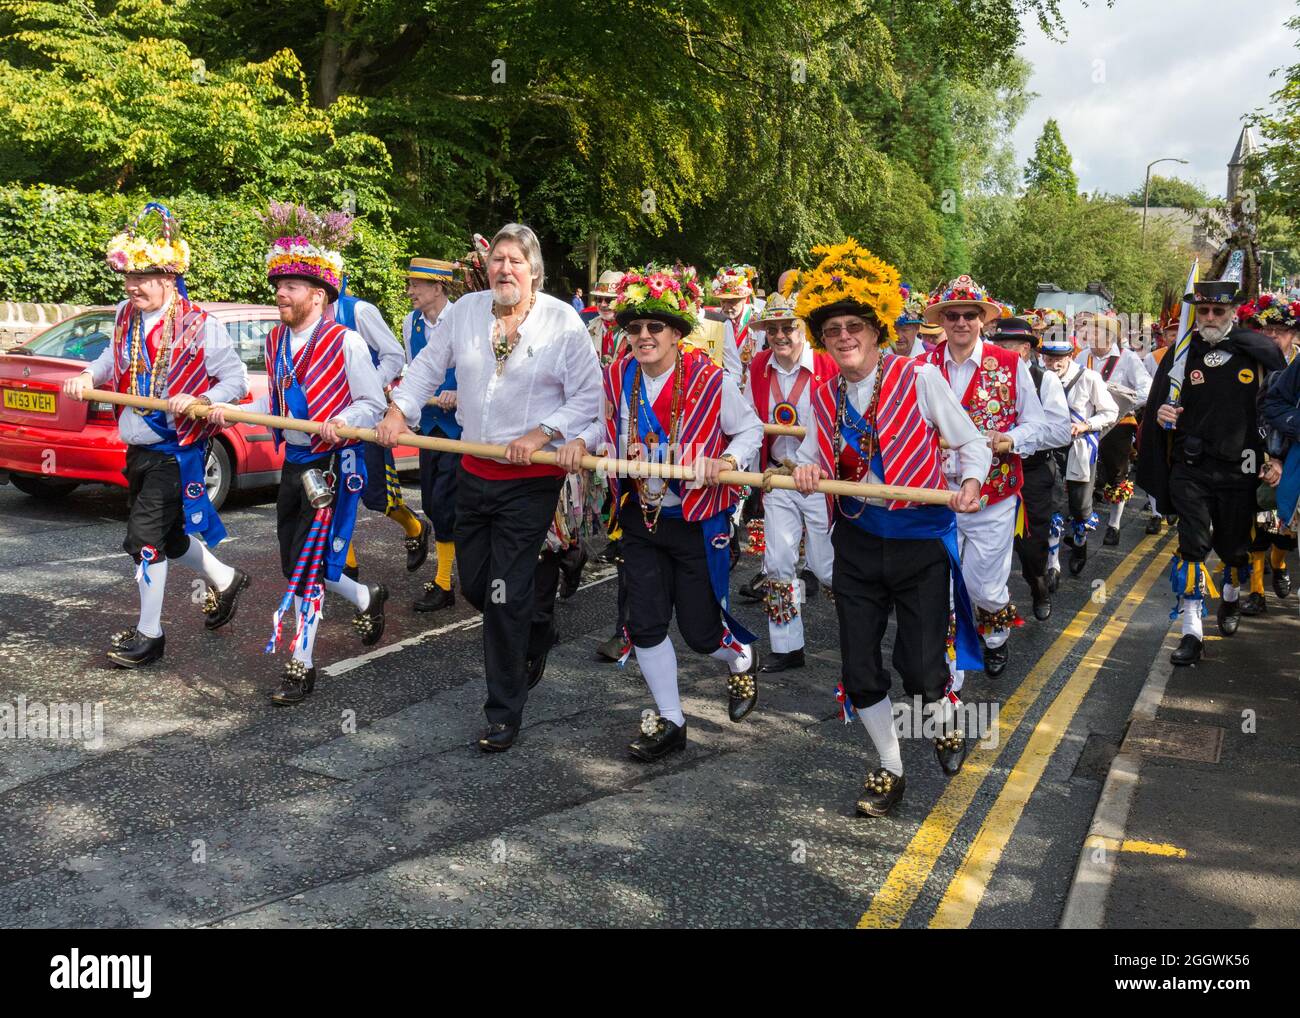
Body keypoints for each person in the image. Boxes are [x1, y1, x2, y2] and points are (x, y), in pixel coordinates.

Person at [377, 223, 602, 752]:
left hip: (530, 482)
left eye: (516, 261)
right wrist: (397, 411)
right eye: (498, 259)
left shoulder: (561, 321)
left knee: (505, 596)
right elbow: (427, 368)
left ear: (534, 272)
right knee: (479, 587)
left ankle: (503, 711)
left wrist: (542, 432)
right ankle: (539, 627)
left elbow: (589, 399)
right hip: (473, 471)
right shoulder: (464, 312)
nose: (505, 269)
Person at [787, 239, 988, 817]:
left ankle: (945, 714)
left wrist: (971, 482)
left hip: (919, 542)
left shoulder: (918, 379)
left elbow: (970, 442)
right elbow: (812, 459)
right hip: (856, 544)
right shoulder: (820, 396)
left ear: (876, 332)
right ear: (823, 341)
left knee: (922, 671)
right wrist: (804, 468)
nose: (844, 337)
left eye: (854, 326)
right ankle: (890, 768)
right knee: (858, 665)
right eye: (832, 330)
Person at [558, 264, 764, 762]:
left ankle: (741, 657)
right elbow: (604, 431)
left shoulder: (709, 378)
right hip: (640, 518)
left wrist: (728, 460)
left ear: (676, 332)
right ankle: (670, 720)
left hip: (695, 519)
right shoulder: (616, 374)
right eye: (634, 328)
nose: (643, 336)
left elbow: (751, 430)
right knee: (646, 623)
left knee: (700, 633)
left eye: (655, 327)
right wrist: (583, 441)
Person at [208, 203, 388, 704]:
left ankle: (300, 662)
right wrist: (234, 410)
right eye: (278, 284)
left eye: (291, 286)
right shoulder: (272, 340)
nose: (280, 293)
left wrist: (344, 422)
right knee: (298, 565)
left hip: (335, 466)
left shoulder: (345, 341)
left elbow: (373, 404)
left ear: (319, 293)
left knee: (309, 569)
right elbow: (276, 401)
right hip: (295, 465)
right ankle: (366, 595)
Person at [63, 202, 250, 668]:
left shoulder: (199, 324)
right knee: (167, 537)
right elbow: (110, 360)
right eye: (129, 276)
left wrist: (201, 400)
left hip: (176, 448)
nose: (132, 285)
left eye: (143, 277)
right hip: (138, 447)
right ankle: (226, 579)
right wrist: (89, 376)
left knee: (143, 539)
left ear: (168, 278)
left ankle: (150, 635)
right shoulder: (125, 315)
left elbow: (236, 381)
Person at [1137, 280, 1285, 666]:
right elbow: (1160, 405)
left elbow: (1278, 409)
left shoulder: (1259, 352)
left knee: (1234, 549)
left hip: (1242, 469)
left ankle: (1231, 596)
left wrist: (1276, 457)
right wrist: (1163, 414)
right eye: (1203, 311)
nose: (1210, 318)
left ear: (1233, 313)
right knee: (1192, 545)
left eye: (1218, 311)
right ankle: (1191, 632)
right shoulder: (1182, 353)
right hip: (1191, 468)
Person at [924, 275, 1048, 679]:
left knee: (984, 585)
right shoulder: (920, 366)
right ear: (942, 321)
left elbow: (1038, 424)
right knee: (940, 583)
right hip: (933, 492)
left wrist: (1009, 439)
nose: (961, 323)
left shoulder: (1011, 364)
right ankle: (951, 661)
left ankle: (995, 637)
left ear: (983, 320)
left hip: (992, 495)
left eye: (970, 315)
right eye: (953, 315)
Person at [742, 292, 838, 670]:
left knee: (827, 566)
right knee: (778, 563)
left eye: (789, 327)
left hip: (820, 480)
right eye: (774, 328)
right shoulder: (759, 366)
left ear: (804, 330)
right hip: (778, 478)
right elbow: (748, 418)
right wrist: (745, 476)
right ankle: (787, 647)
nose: (781, 335)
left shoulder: (828, 365)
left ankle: (859, 632)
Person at [329, 276, 428, 577]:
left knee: (376, 496)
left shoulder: (358, 311)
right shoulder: (301, 322)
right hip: (327, 422)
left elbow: (394, 355)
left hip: (365, 419)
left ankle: (416, 526)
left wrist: (368, 386)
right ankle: (346, 566)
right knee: (331, 495)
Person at [988, 318, 1071, 620]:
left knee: (1030, 546)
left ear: (1024, 349)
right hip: (990, 472)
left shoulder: (1043, 379)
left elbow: (1061, 432)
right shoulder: (985, 379)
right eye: (996, 345)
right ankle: (992, 613)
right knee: (987, 548)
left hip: (1031, 471)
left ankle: (1038, 586)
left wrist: (1016, 439)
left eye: (1005, 347)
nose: (997, 352)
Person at [401, 257, 461, 612]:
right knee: (433, 503)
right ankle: (446, 580)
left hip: (461, 429)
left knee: (447, 505)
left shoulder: (464, 320)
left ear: (438, 288)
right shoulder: (411, 323)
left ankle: (444, 583)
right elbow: (417, 370)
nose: (409, 292)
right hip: (428, 426)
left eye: (416, 286)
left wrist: (460, 394)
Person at [1040, 332, 1117, 586]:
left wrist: (1086, 425)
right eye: (1049, 358)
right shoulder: (1038, 377)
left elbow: (1110, 411)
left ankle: (1080, 544)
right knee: (1051, 505)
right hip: (1049, 449)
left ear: (1070, 355)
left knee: (1080, 506)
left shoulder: (1089, 378)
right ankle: (1053, 564)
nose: (1053, 364)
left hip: (1080, 448)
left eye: (1058, 359)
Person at [1243, 294, 1300, 613]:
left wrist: (1283, 459)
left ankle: (1279, 565)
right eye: (1267, 330)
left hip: (1294, 454)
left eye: (1281, 329)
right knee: (1255, 519)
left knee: (1286, 526)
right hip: (1252, 450)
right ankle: (1256, 590)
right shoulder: (1248, 364)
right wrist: (1267, 458)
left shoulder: (1298, 365)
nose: (1273, 336)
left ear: (1294, 334)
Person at [1075, 311, 1151, 547]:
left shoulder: (1128, 358)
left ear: (1111, 337)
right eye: (1089, 332)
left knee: (1117, 473)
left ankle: (1114, 524)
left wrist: (1124, 400)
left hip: (1119, 423)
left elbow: (1147, 389)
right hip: (1086, 424)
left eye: (1097, 332)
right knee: (1081, 471)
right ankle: (1081, 520)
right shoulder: (1082, 357)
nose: (1091, 336)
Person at [711, 264, 763, 391]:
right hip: (722, 386)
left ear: (745, 298)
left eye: (733, 301)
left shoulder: (758, 318)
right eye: (723, 301)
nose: (727, 307)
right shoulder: (714, 319)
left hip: (753, 385)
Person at [588, 270, 626, 364]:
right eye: (599, 299)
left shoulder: (633, 329)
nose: (603, 304)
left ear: (622, 301)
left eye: (609, 300)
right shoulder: (589, 327)